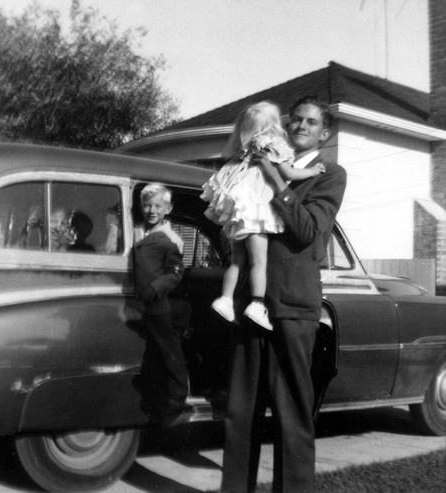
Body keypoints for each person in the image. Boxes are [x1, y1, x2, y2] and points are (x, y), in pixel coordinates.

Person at [221, 95, 347, 493]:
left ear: (323, 134)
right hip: (252, 304)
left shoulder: (330, 174)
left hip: (294, 306)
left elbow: (307, 230)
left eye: (311, 123)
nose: (301, 127)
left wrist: (276, 180)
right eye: (295, 120)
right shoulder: (260, 162)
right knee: (241, 411)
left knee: (293, 412)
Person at [201, 101, 326, 330]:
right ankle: (257, 304)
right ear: (274, 124)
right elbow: (287, 171)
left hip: (239, 213)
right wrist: (312, 171)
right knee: (259, 261)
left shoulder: (247, 148)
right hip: (255, 213)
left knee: (238, 262)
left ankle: (225, 299)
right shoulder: (274, 144)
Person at [132, 183, 192, 427]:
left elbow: (175, 272)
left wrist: (156, 288)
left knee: (169, 353)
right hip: (141, 304)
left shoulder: (172, 239)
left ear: (168, 209)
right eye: (146, 205)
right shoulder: (137, 232)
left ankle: (177, 400)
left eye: (158, 206)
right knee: (153, 357)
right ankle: (156, 403)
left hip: (159, 302)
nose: (151, 210)